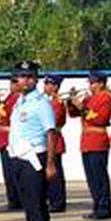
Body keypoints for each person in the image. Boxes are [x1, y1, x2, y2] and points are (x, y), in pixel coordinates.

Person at [6, 60, 58, 221]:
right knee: (29, 207)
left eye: (30, 77)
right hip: (19, 158)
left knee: (36, 207)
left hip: (34, 158)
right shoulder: (20, 101)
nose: (26, 81)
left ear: (36, 79)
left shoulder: (40, 103)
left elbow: (51, 133)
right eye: (22, 77)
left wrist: (51, 164)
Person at [67, 70, 111, 219]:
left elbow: (100, 119)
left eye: (93, 83)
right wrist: (71, 102)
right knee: (92, 177)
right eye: (90, 83)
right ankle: (97, 205)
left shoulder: (106, 98)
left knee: (99, 176)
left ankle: (104, 208)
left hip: (98, 140)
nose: (90, 86)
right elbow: (73, 114)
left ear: (101, 83)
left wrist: (81, 107)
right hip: (87, 140)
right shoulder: (89, 98)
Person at [0, 80, 23, 211]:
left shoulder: (18, 99)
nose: (11, 86)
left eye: (14, 83)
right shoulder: (10, 97)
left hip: (10, 139)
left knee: (13, 173)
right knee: (8, 173)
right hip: (4, 138)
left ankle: (17, 201)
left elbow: (6, 114)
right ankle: (13, 200)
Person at [42, 74, 67, 213]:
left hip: (55, 140)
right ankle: (51, 199)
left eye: (49, 84)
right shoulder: (46, 101)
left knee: (55, 173)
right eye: (45, 84)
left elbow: (53, 120)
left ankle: (58, 202)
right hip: (46, 140)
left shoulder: (57, 102)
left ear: (56, 87)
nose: (46, 86)